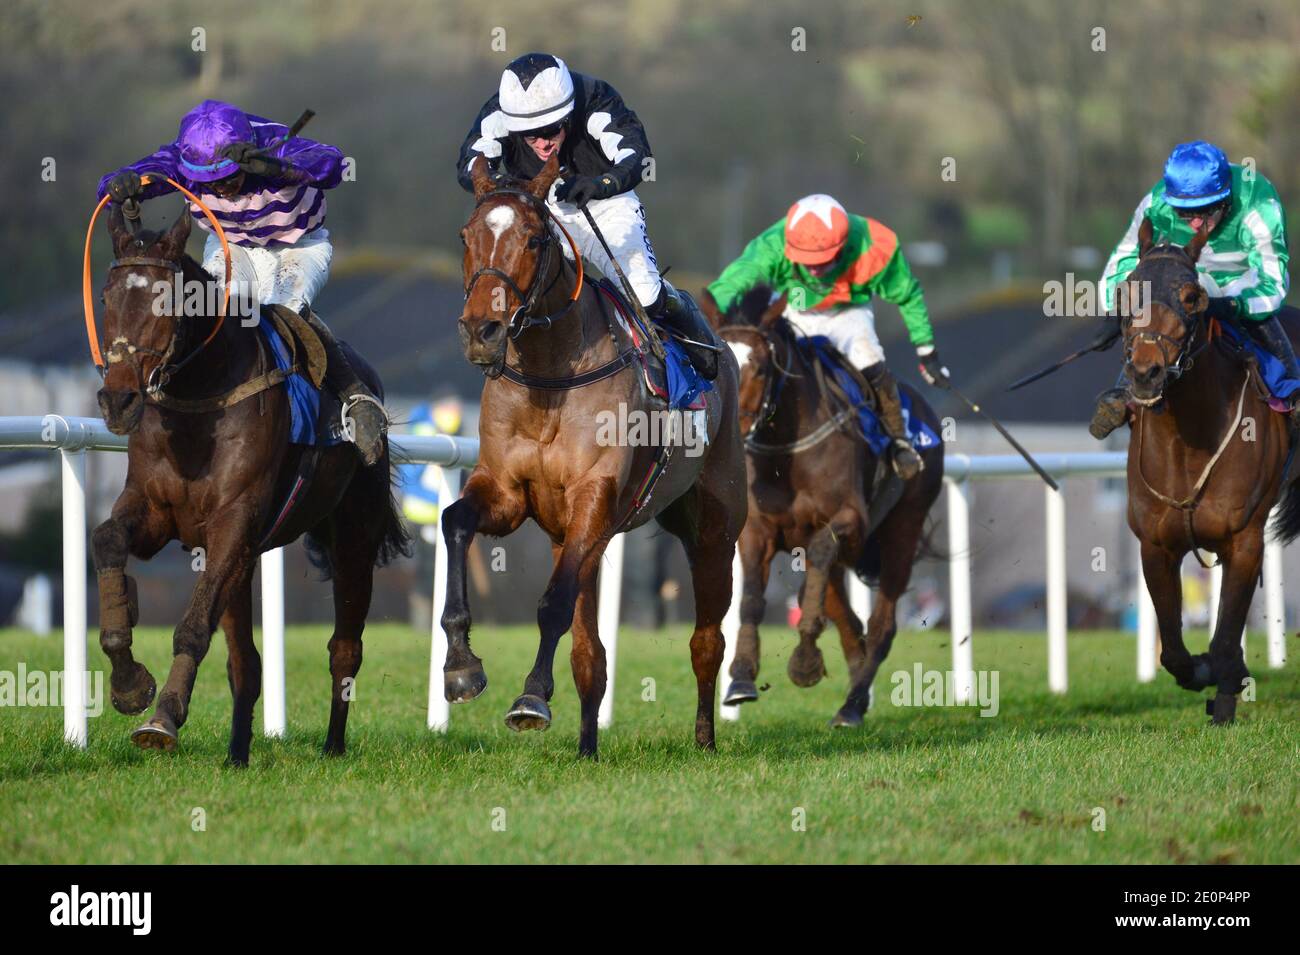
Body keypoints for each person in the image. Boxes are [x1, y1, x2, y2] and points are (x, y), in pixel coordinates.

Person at [96, 99, 387, 465]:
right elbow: (111, 188)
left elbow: (337, 165)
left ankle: (354, 395)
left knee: (284, 313)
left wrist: (279, 168)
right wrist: (120, 184)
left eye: (227, 179)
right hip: (232, 244)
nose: (219, 190)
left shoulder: (272, 142)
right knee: (214, 310)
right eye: (207, 183)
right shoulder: (182, 157)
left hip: (298, 246)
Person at [457, 52, 718, 378]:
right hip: (540, 210)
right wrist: (503, 188)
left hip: (606, 205)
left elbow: (637, 155)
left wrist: (599, 184)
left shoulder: (595, 97)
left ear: (567, 115)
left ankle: (697, 339)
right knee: (511, 284)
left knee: (644, 294)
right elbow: (470, 163)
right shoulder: (502, 109)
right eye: (530, 135)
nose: (542, 143)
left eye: (551, 130)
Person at [705, 193, 950, 479]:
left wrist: (927, 351)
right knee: (755, 364)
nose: (813, 268)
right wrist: (706, 316)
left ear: (843, 245)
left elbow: (908, 296)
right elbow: (733, 281)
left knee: (870, 360)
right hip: (791, 306)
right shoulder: (772, 244)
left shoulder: (875, 245)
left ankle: (898, 442)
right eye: (806, 260)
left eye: (822, 261)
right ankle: (727, 437)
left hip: (848, 311)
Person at [1092, 140, 1299, 438]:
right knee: (1153, 314)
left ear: (1227, 197)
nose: (1197, 222)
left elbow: (1272, 282)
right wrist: (1117, 310)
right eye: (1185, 213)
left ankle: (1292, 388)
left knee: (1258, 318)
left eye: (1208, 209)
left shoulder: (1258, 200)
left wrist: (1228, 305)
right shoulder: (1156, 204)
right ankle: (1126, 393)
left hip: (1242, 280)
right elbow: (1121, 265)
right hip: (1182, 278)